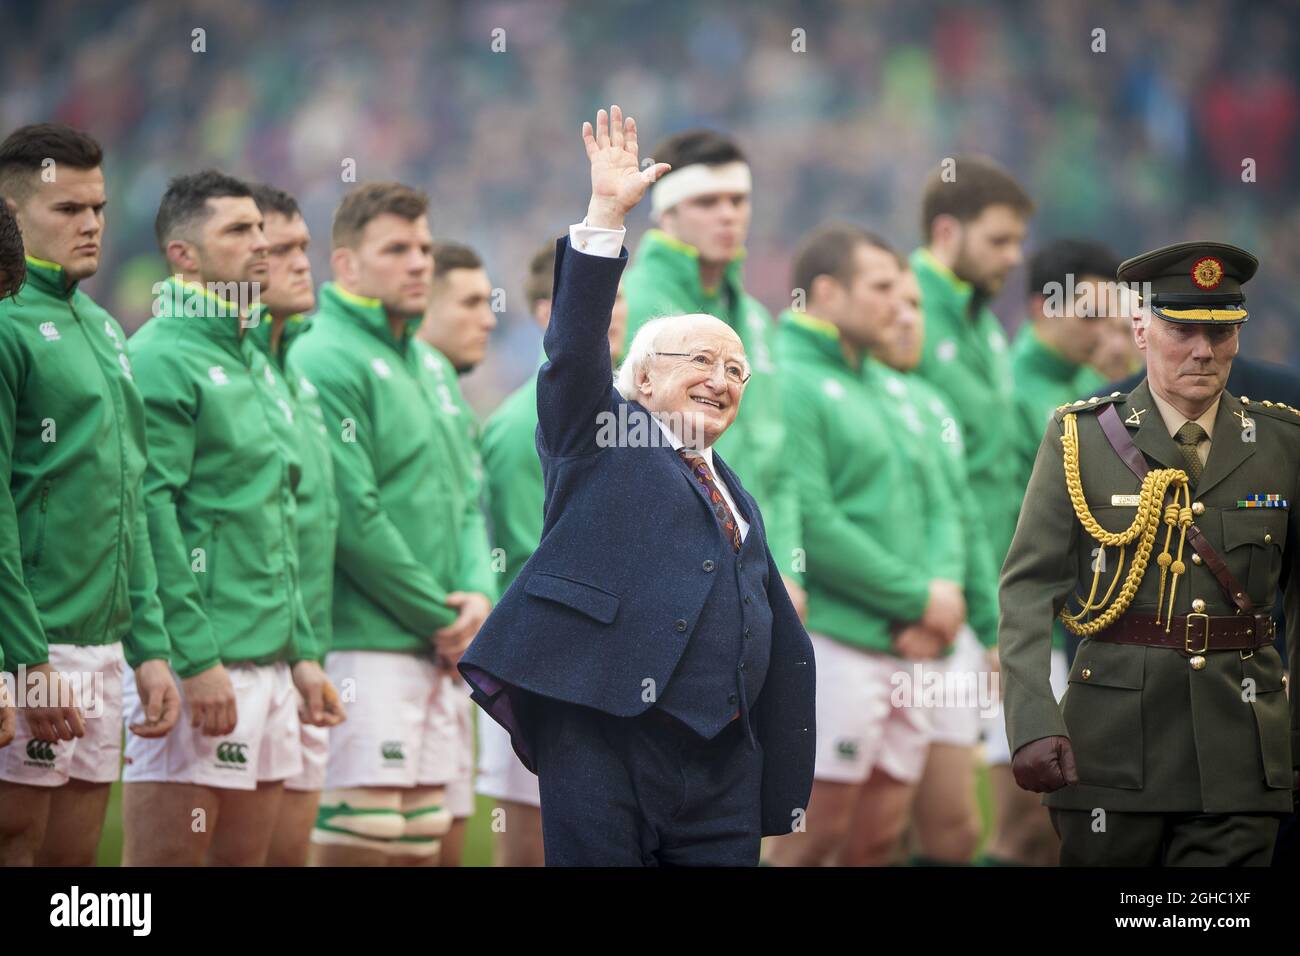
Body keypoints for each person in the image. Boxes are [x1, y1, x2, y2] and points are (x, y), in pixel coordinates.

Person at [460, 106, 815, 867]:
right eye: (700, 361)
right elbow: (573, 350)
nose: (721, 380)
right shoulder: (599, 436)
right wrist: (603, 219)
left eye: (735, 370)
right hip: (604, 736)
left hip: (724, 762)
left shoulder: (736, 495)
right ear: (643, 379)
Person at [1000, 241, 1299, 866]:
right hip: (1110, 752)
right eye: (1182, 328)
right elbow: (1029, 588)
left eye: (1220, 332)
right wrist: (1030, 719)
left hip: (1240, 756)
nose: (1202, 350)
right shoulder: (1080, 437)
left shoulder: (1282, 443)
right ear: (1140, 327)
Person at [124, 170, 332, 866]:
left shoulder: (252, 358)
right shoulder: (161, 354)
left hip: (270, 663)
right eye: (238, 231)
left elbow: (281, 529)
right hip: (208, 663)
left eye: (259, 228)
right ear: (183, 254)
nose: (261, 246)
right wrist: (194, 656)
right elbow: (149, 515)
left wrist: (301, 654)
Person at [289, 182, 496, 866]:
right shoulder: (324, 355)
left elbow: (468, 498)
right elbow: (354, 517)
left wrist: (474, 596)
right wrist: (440, 617)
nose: (418, 264)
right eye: (397, 249)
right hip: (365, 642)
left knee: (418, 845)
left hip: (437, 645)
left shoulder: (433, 367)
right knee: (366, 839)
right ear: (346, 266)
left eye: (425, 248)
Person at [0, 123, 180, 865]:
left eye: (99, 208)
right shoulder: (6, 324)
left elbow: (130, 500)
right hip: (32, 642)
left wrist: (149, 649)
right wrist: (26, 657)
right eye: (68, 209)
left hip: (103, 649)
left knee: (73, 869)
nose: (92, 224)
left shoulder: (107, 330)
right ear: (11, 216)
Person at [763, 224, 964, 866]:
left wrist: (943, 601)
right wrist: (919, 599)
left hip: (914, 645)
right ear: (826, 293)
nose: (897, 304)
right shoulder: (787, 379)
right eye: (879, 288)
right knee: (810, 843)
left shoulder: (888, 387)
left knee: (877, 844)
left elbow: (941, 506)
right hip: (835, 644)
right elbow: (812, 522)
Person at [619, 128, 805, 621]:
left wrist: (784, 566)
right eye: (707, 201)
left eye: (738, 199)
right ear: (667, 210)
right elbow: (590, 441)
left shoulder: (757, 323)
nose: (728, 214)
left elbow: (776, 458)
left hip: (754, 571)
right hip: (664, 578)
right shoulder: (626, 304)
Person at [983, 239, 1124, 866]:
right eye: (1091, 316)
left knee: (1069, 830)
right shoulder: (1008, 390)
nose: (1104, 333)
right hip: (1028, 632)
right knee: (1021, 831)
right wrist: (994, 625)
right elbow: (995, 518)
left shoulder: (1097, 391)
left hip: (1089, 630)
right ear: (1045, 306)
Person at [877, 265, 999, 867]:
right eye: (893, 305)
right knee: (869, 834)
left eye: (916, 308)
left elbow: (959, 516)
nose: (906, 319)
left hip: (948, 638)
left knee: (954, 832)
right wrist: (914, 604)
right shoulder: (838, 393)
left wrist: (978, 618)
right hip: (874, 638)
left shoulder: (934, 403)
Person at [247, 183, 347, 868]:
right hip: (227, 660)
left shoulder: (295, 374)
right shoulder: (214, 365)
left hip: (297, 657)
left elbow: (309, 527)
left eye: (302, 248)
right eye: (278, 251)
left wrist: (306, 652)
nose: (298, 263)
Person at [911, 155, 1034, 599]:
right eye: (999, 240)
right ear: (947, 232)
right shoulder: (904, 312)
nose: (1014, 257)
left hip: (995, 583)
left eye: (1018, 241)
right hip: (937, 588)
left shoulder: (985, 324)